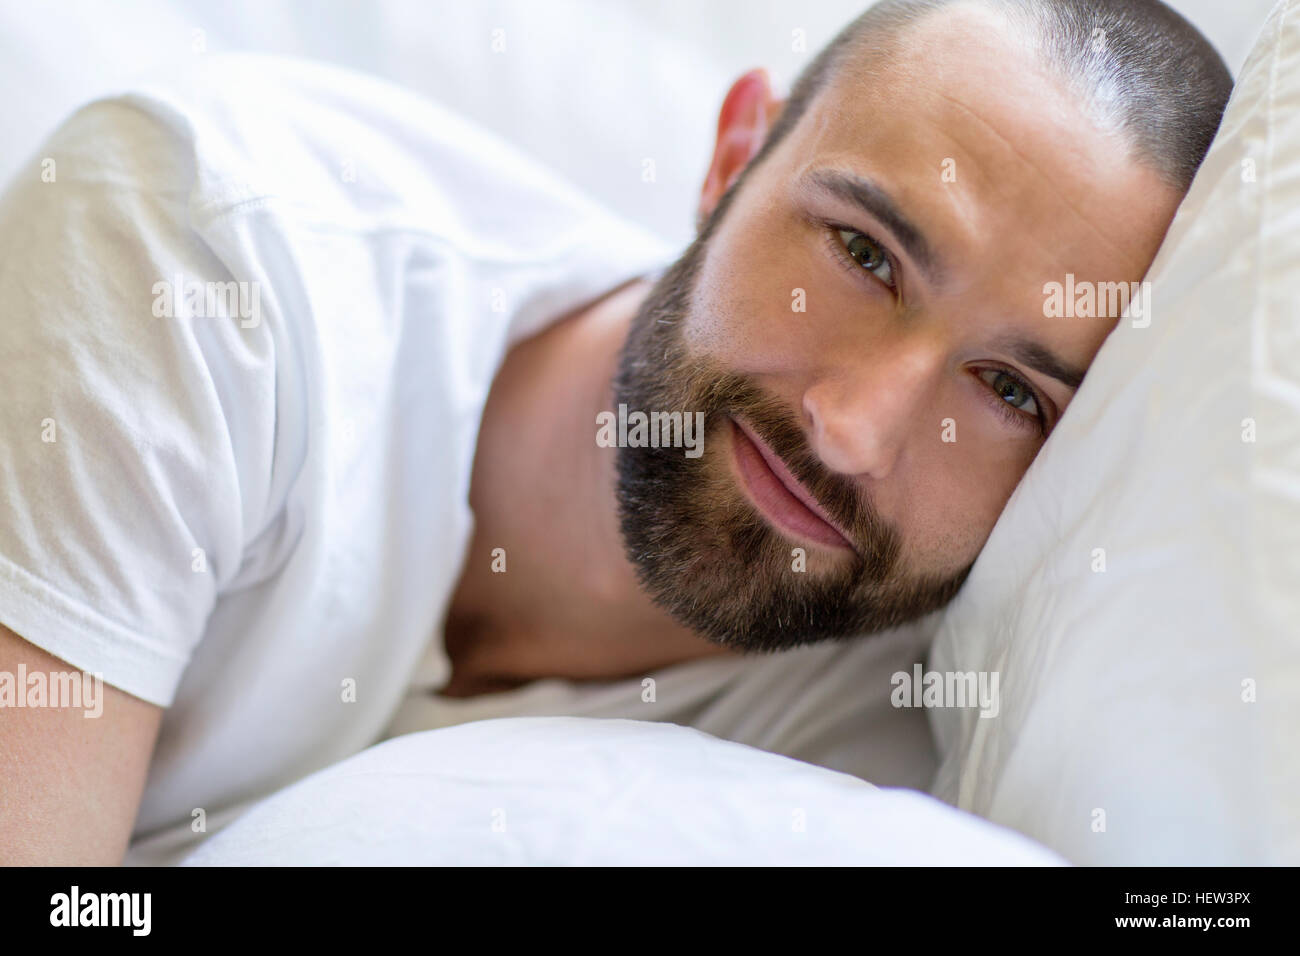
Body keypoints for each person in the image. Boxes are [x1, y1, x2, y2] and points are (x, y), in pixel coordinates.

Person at [0, 0, 1232, 864]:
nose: (854, 431)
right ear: (731, 154)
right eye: (861, 253)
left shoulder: (900, 752)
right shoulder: (217, 249)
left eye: (1011, 391)